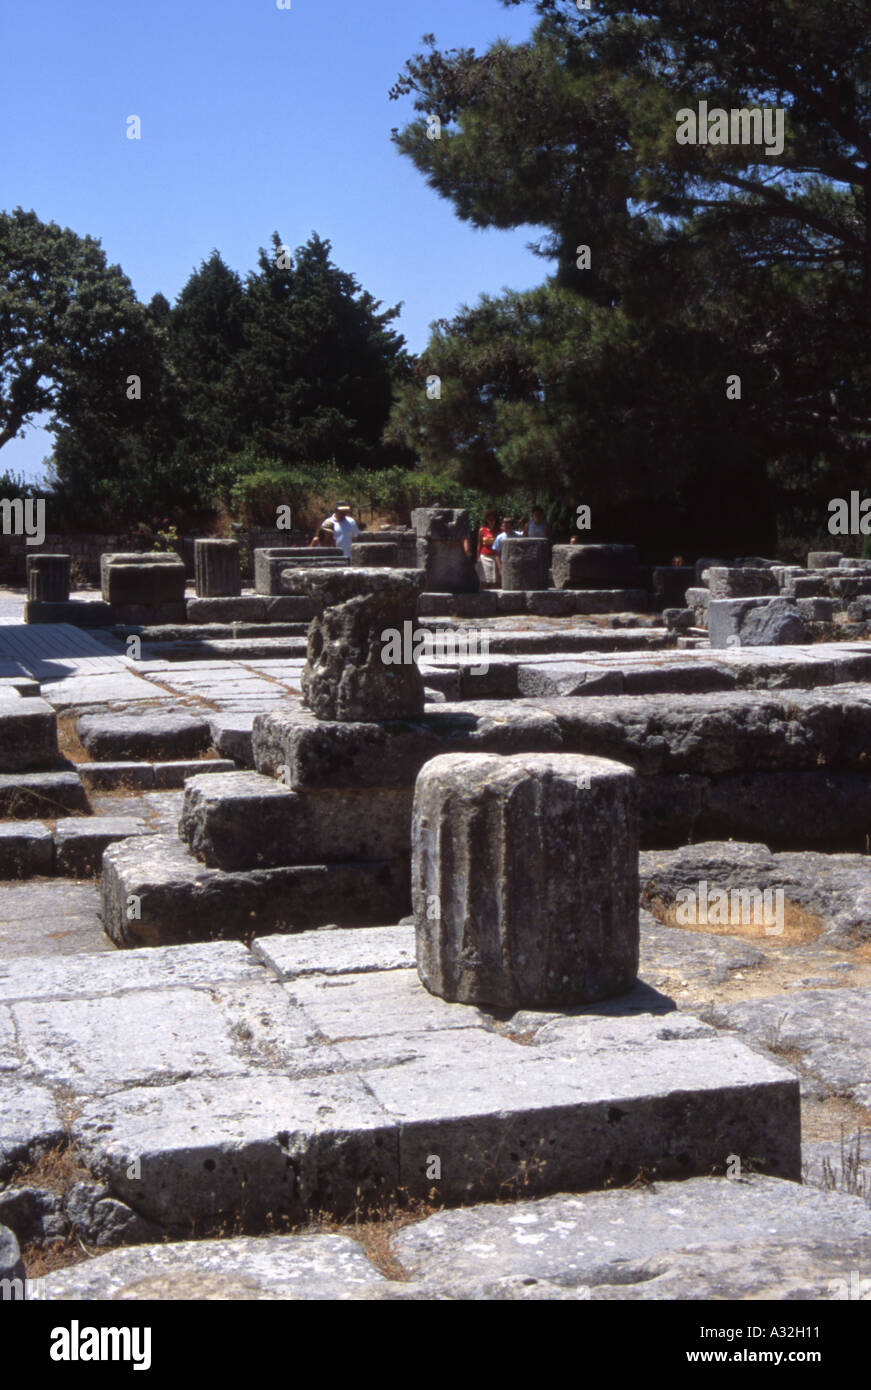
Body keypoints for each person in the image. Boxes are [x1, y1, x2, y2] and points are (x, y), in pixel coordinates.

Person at [492, 516, 522, 584]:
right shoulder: (500, 537)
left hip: (517, 563)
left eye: (508, 526)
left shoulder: (519, 535)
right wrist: (500, 567)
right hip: (505, 563)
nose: (506, 528)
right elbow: (497, 554)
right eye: (505, 526)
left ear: (512, 526)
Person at [476, 509, 499, 588]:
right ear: (486, 520)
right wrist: (478, 557)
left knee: (495, 582)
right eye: (489, 520)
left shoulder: (500, 531)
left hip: (496, 558)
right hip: (484, 557)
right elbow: (479, 545)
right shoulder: (482, 530)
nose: (491, 521)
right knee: (484, 581)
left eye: (493, 519)